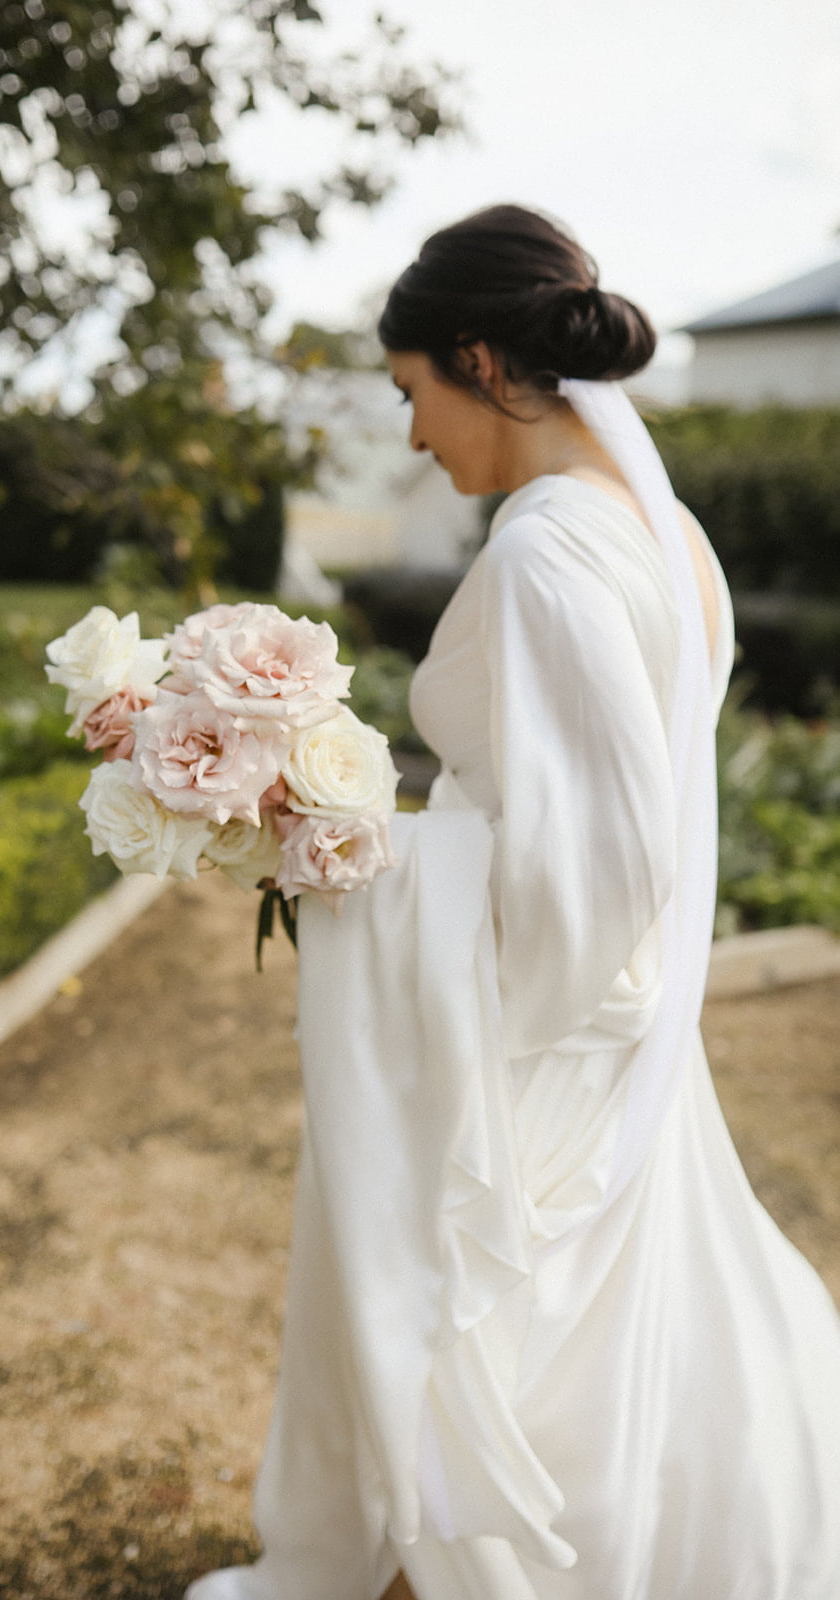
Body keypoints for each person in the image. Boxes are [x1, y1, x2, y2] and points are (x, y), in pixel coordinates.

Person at [186, 205, 840, 1600]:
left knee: (495, 1372)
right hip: (607, 1035)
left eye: (412, 394)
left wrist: (346, 842)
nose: (415, 437)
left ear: (479, 360)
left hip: (542, 1058)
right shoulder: (662, 535)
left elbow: (591, 878)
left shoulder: (549, 553)